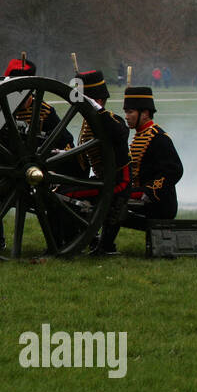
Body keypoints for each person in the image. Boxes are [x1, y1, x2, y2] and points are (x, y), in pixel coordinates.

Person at [63, 69, 131, 255]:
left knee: (66, 197)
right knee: (62, 192)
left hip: (118, 181)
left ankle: (85, 241)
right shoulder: (88, 124)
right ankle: (84, 240)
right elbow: (83, 159)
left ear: (98, 101)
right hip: (101, 178)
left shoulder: (110, 119)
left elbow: (120, 132)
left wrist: (97, 109)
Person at [121, 86, 183, 224]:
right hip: (140, 192)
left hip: (158, 203)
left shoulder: (159, 137)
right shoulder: (140, 135)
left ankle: (106, 245)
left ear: (145, 113)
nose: (126, 116)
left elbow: (175, 170)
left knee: (115, 199)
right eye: (126, 112)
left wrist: (150, 192)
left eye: (130, 112)